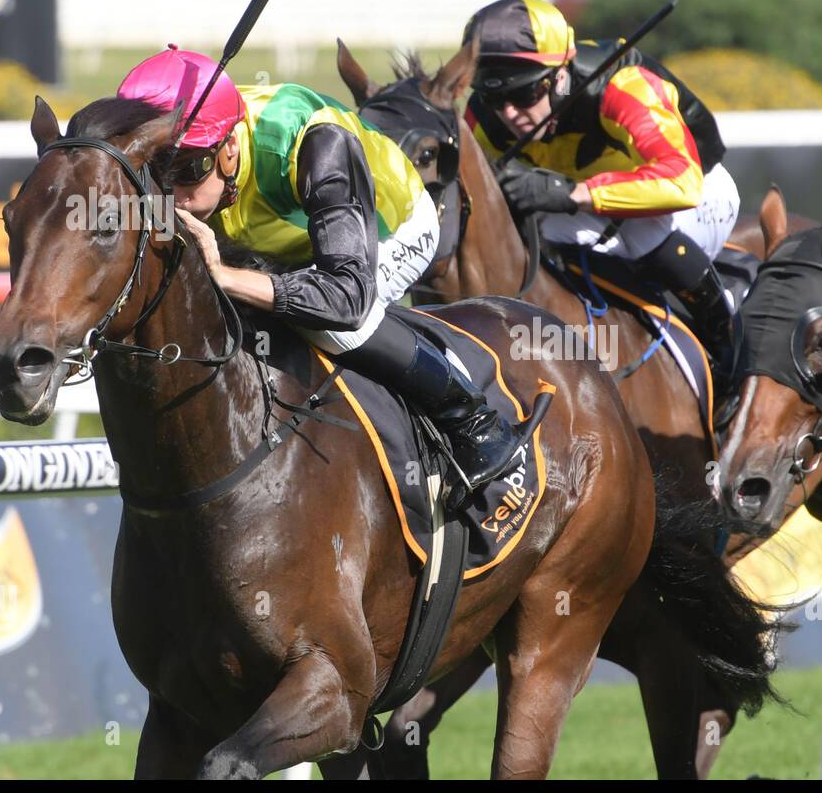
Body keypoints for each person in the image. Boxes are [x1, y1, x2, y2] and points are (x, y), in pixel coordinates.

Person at [117, 45, 538, 499]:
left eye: (186, 170)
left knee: (330, 328)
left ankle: (473, 418)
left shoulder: (314, 142)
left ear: (229, 148)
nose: (172, 194)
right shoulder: (197, 149)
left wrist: (227, 277)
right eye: (155, 173)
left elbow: (347, 297)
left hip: (387, 226)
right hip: (286, 239)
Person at [461, 0, 742, 409]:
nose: (509, 114)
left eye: (523, 95)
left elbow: (680, 182)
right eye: (492, 97)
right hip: (592, 207)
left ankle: (727, 346)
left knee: (644, 230)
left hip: (696, 197)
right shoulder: (483, 118)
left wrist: (571, 193)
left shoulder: (624, 85)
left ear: (559, 75)